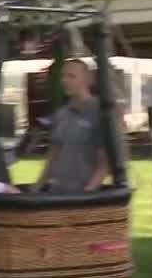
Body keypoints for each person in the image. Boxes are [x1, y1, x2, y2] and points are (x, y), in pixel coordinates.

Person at [36, 59, 114, 193]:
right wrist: (37, 187)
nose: (65, 81)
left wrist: (88, 191)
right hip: (57, 192)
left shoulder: (99, 112)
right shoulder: (61, 114)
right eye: (63, 76)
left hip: (82, 197)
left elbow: (105, 162)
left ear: (87, 79)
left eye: (71, 76)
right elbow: (53, 155)